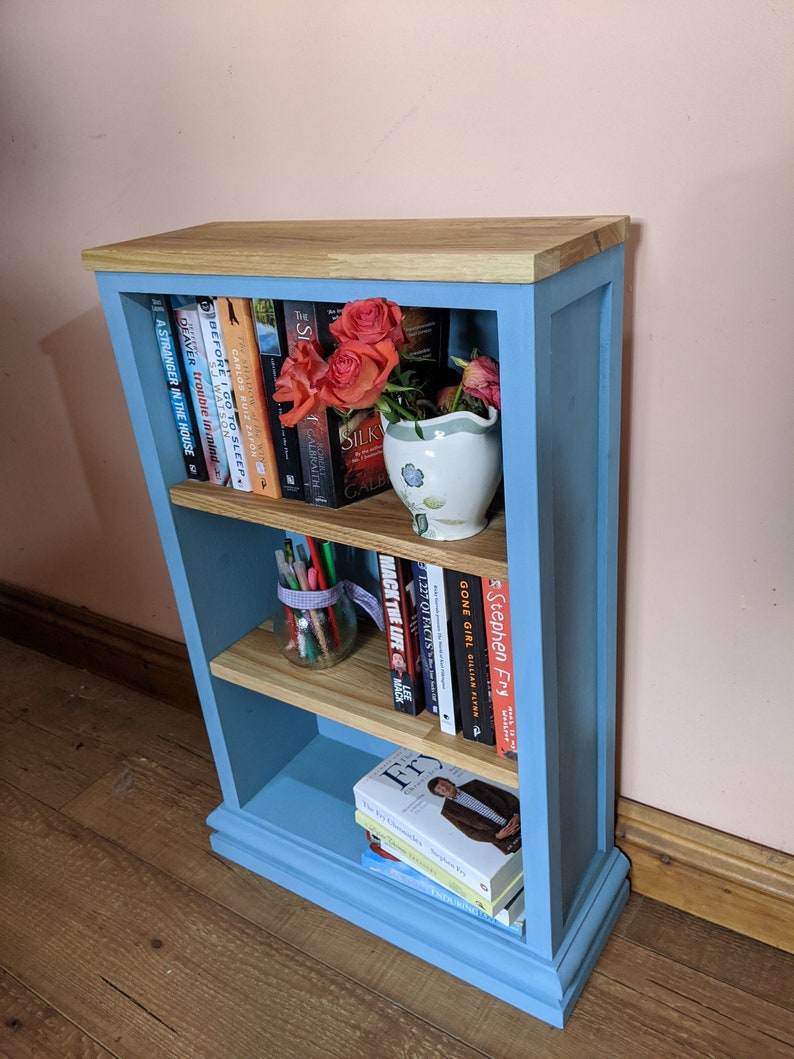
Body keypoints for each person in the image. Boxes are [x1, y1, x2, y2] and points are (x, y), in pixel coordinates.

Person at [427, 776, 521, 853]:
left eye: (443, 784)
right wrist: (497, 836)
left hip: (521, 819)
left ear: (448, 781)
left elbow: (505, 795)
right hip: (507, 839)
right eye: (439, 788)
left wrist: (517, 815)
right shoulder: (448, 812)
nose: (443, 788)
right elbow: (470, 833)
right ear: (438, 794)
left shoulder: (474, 784)